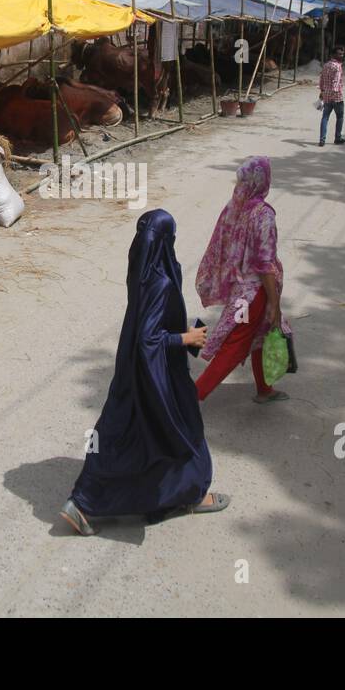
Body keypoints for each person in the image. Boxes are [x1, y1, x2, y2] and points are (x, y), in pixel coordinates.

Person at [61, 209, 226, 536]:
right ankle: (191, 494)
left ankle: (84, 503)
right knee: (183, 432)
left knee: (123, 437)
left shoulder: (143, 272)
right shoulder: (161, 282)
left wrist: (183, 334)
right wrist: (185, 338)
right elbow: (149, 340)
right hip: (159, 378)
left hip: (135, 373)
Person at [194, 156, 293, 405]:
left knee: (260, 334)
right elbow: (265, 265)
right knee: (236, 344)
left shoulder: (235, 206)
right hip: (255, 294)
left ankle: (265, 389)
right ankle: (190, 398)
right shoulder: (263, 215)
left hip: (240, 289)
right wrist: (274, 303)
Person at [318, 45, 345, 146]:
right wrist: (334, 91)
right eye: (339, 54)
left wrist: (322, 91)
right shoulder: (338, 66)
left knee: (325, 117)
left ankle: (322, 139)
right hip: (336, 96)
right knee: (340, 117)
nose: (341, 55)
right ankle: (338, 138)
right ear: (334, 54)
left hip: (326, 95)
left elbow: (321, 79)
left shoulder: (325, 65)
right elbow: (336, 80)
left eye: (342, 54)